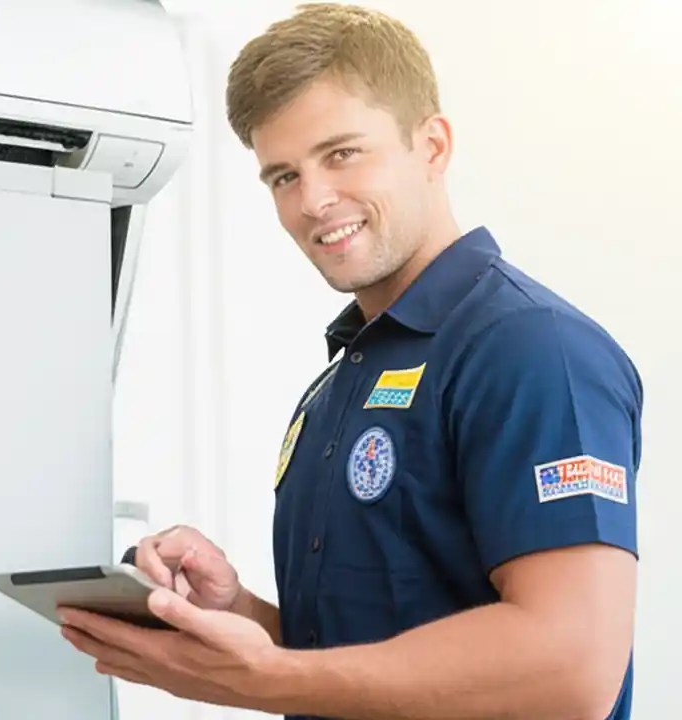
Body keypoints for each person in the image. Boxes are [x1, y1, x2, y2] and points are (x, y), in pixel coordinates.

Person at [57, 3, 642, 718]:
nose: (314, 201)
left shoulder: (531, 350)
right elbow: (370, 653)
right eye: (283, 176)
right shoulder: (338, 383)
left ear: (432, 146)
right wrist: (241, 618)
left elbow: (573, 670)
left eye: (341, 154)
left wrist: (266, 678)